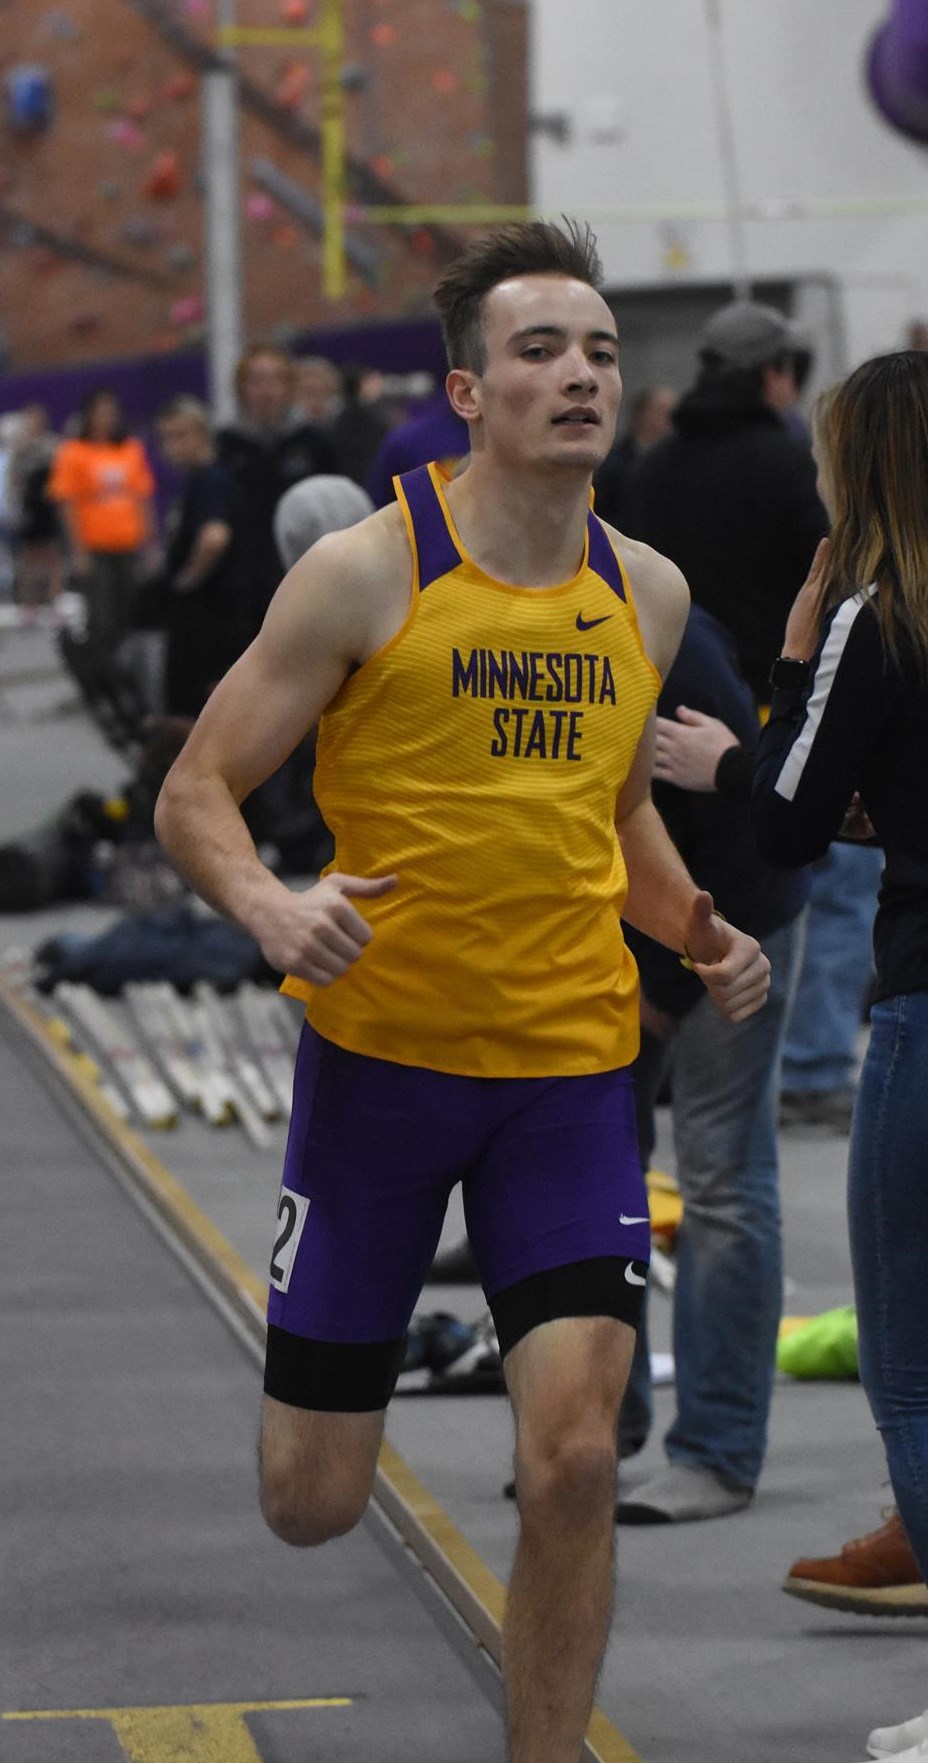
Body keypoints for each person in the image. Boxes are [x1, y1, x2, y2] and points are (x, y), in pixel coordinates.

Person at [154, 219, 770, 1763]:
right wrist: (271, 903)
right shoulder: (366, 571)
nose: (581, 376)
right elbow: (194, 788)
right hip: (380, 1071)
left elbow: (614, 813)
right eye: (540, 350)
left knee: (573, 1457)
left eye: (601, 351)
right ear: (469, 390)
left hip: (568, 1075)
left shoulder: (646, 593)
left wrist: (699, 927)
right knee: (312, 1497)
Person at [752, 351, 928, 1763]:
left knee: (911, 1361)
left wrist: (794, 655)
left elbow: (786, 821)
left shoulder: (875, 617)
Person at [613, 603, 808, 1521]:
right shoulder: (499, 623)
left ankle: (717, 1450)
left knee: (721, 1177)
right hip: (620, 936)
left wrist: (667, 989)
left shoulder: (662, 642)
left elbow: (752, 842)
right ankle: (596, 1421)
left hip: (735, 916)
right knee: (595, 1171)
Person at [623, 297, 827, 705]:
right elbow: (823, 576)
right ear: (772, 374)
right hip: (772, 698)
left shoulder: (652, 466)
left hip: (670, 699)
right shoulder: (790, 464)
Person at [216, 346, 335, 649]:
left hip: (305, 576)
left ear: (289, 386)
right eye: (256, 380)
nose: (266, 390)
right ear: (241, 388)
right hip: (242, 584)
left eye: (275, 380)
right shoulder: (225, 446)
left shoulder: (313, 442)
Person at [47, 388, 156, 651]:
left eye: (111, 413)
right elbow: (67, 504)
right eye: (100, 413)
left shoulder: (130, 449)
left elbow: (143, 497)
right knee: (101, 613)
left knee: (130, 608)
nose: (106, 419)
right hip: (95, 546)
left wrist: (150, 543)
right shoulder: (73, 452)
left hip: (128, 543)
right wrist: (77, 551)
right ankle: (102, 664)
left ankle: (128, 663)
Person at [153, 397, 242, 718]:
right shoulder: (195, 481)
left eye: (180, 436)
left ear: (202, 434)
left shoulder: (210, 480)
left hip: (210, 616)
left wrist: (185, 582)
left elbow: (214, 538)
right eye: (166, 438)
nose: (171, 447)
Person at [7, 402, 65, 610]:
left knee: (52, 555)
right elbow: (13, 478)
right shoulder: (20, 447)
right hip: (29, 507)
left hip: (48, 506)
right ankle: (29, 604)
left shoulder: (53, 445)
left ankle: (54, 601)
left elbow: (62, 474)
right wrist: (14, 506)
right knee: (28, 556)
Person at [592, 384, 675, 527]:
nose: (670, 422)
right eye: (663, 413)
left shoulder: (675, 464)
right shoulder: (613, 464)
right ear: (643, 415)